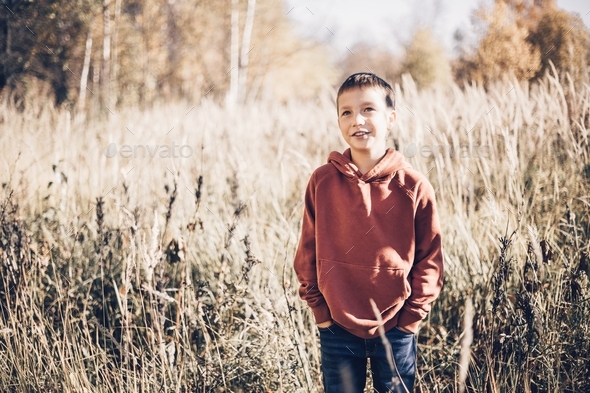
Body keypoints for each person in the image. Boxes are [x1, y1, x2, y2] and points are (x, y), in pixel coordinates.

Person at [293, 72, 444, 392]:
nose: (356, 119)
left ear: (391, 118)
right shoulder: (322, 181)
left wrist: (411, 320)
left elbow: (430, 259)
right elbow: (307, 249)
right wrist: (321, 313)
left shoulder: (414, 186)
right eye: (346, 112)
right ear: (338, 121)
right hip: (337, 328)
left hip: (396, 328)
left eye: (367, 110)